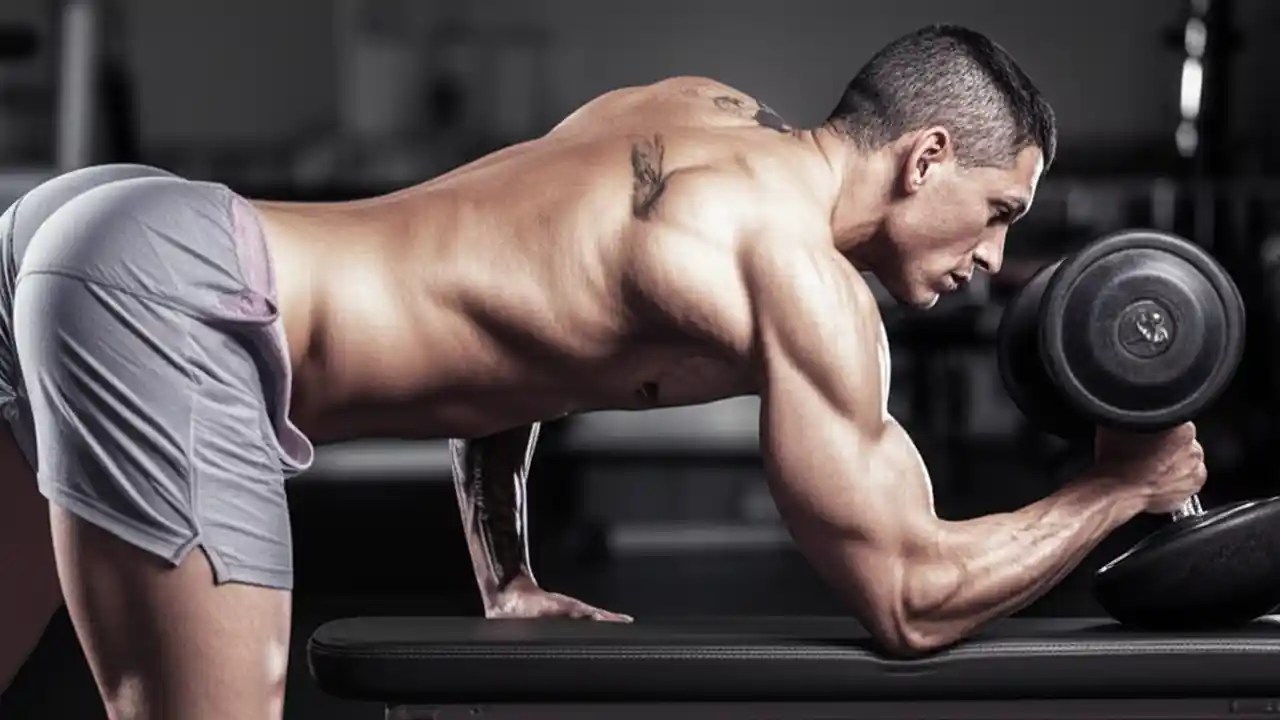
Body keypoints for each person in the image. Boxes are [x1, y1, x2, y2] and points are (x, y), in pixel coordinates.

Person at [0, 24, 1205, 720]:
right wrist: (1116, 488)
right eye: (994, 211)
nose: (994, 261)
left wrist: (506, 571)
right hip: (177, 296)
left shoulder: (687, 110)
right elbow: (907, 598)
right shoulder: (800, 285)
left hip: (101, 231)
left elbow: (511, 297)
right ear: (924, 155)